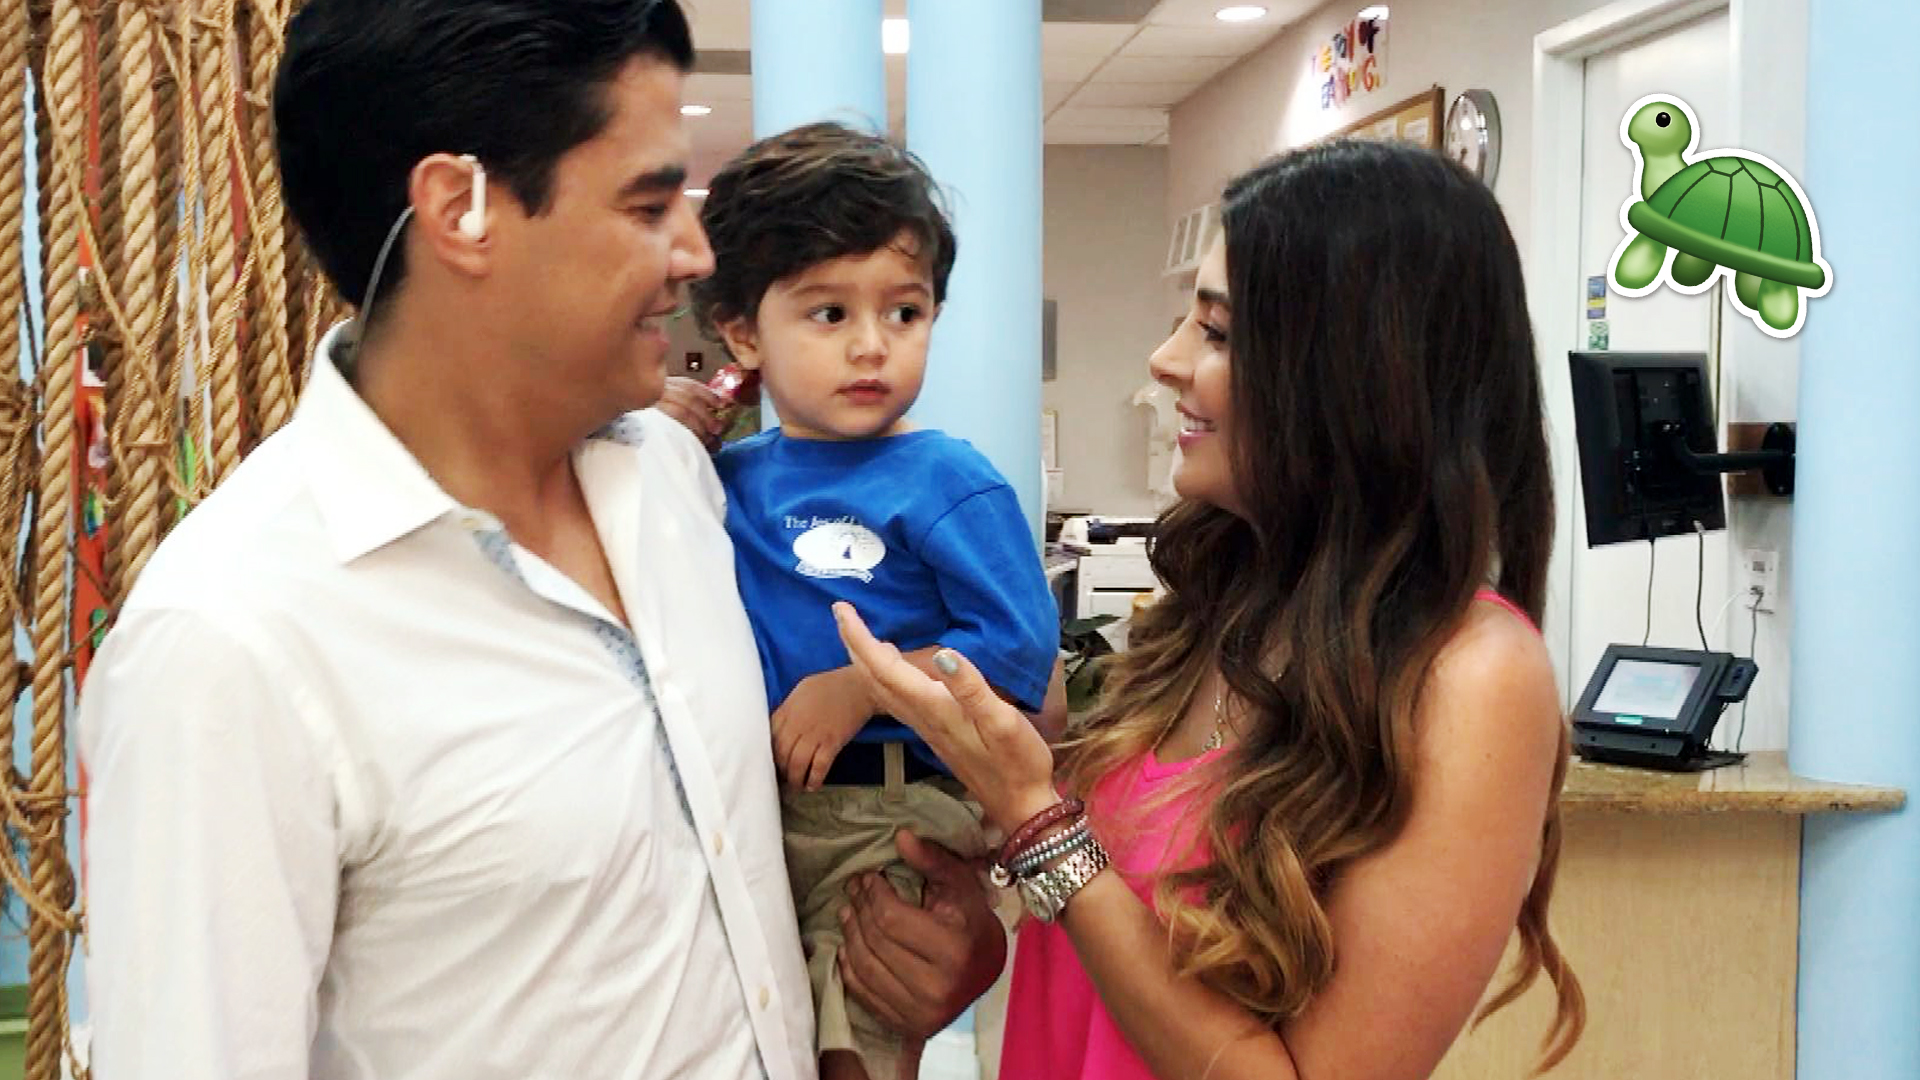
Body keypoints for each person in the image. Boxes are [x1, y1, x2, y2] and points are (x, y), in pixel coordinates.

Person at [76, 3, 1000, 1078]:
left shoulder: (677, 487)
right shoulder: (234, 642)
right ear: (461, 209)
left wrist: (930, 955)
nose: (695, 251)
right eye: (651, 203)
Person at [833, 139, 1588, 1080]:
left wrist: (1038, 822)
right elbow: (1119, 935)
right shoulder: (1226, 607)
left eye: (1219, 334)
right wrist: (983, 930)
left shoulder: (1474, 675)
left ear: (1355, 375)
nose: (1166, 360)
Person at [656, 122, 1064, 1080]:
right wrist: (655, 429)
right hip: (757, 809)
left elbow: (1017, 653)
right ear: (744, 330)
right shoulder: (726, 476)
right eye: (829, 314)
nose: (872, 346)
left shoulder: (946, 480)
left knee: (855, 1048)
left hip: (888, 816)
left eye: (905, 313)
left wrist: (865, 687)